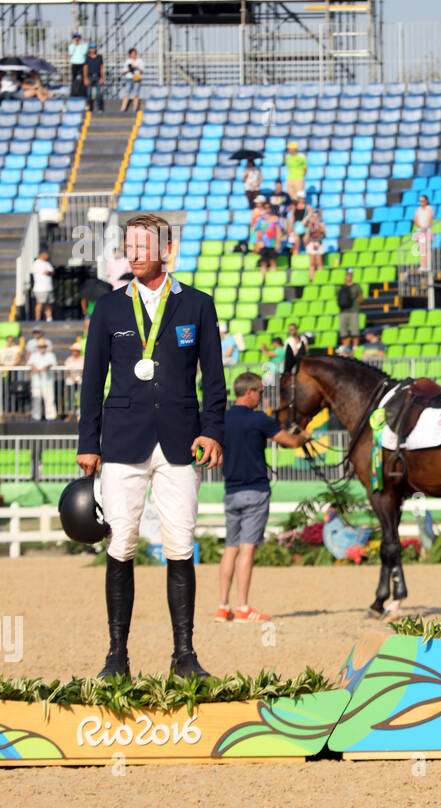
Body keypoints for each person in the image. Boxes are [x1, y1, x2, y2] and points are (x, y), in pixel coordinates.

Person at [76, 213, 228, 679]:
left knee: (180, 544)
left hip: (182, 441)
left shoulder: (198, 305)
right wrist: (88, 440)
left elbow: (215, 379)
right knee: (120, 543)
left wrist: (213, 431)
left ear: (167, 250)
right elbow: (91, 379)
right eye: (130, 246)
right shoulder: (107, 308)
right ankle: (116, 657)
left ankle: (184, 656)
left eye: (144, 247)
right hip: (122, 441)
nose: (135, 255)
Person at [218, 372, 310, 624]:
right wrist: (304, 436)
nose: (261, 396)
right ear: (248, 392)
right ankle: (243, 607)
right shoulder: (258, 419)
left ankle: (223, 606)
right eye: (259, 391)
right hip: (255, 489)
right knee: (248, 548)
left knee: (231, 548)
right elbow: (290, 442)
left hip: (231, 490)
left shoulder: (223, 419)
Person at [27, 334, 57, 420]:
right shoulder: (34, 355)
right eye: (40, 346)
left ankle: (51, 417)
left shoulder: (50, 355)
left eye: (43, 346)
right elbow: (30, 363)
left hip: (47, 381)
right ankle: (36, 416)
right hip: (36, 382)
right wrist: (34, 367)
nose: (41, 348)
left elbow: (53, 363)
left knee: (49, 399)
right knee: (36, 399)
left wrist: (46, 367)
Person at [250, 203, 283, 273]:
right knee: (263, 262)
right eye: (265, 208)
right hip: (262, 244)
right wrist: (257, 243)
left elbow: (278, 231)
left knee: (272, 261)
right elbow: (257, 232)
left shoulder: (275, 218)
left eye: (269, 208)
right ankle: (263, 280)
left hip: (272, 243)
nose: (267, 209)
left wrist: (278, 243)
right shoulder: (260, 219)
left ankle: (273, 278)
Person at [0, 334, 21, 415]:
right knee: (3, 389)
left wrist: (11, 366)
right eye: (8, 340)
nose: (10, 342)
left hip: (13, 371)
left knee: (12, 389)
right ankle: (4, 408)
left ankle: (13, 408)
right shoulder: (1, 350)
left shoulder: (16, 349)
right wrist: (5, 365)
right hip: (4, 371)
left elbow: (18, 360)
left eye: (11, 341)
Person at [336, 270, 363, 340]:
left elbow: (361, 299)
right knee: (343, 332)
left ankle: (355, 347)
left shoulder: (356, 286)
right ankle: (345, 348)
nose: (348, 277)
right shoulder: (340, 287)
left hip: (353, 311)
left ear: (352, 276)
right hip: (343, 311)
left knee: (355, 332)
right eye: (347, 275)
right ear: (345, 276)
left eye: (350, 275)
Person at [31, 249, 54, 321]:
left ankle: (49, 318)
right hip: (40, 288)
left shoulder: (47, 263)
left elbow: (52, 272)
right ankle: (37, 318)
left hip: (48, 287)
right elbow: (47, 272)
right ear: (42, 255)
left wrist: (50, 272)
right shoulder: (37, 263)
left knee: (48, 303)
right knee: (40, 303)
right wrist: (49, 272)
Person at [413, 195, 434, 272]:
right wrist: (421, 228)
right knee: (422, 249)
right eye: (420, 201)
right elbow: (415, 220)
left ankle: (428, 266)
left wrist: (425, 227)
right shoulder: (417, 210)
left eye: (423, 201)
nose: (421, 202)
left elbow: (430, 219)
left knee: (427, 249)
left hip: (427, 230)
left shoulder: (429, 209)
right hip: (421, 231)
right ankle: (423, 266)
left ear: (426, 201)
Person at [303, 209, 325, 278]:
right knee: (312, 263)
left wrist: (321, 230)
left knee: (319, 263)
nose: (315, 216)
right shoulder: (309, 224)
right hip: (311, 244)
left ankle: (320, 278)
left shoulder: (321, 224)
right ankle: (311, 278)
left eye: (316, 215)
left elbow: (324, 234)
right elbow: (303, 223)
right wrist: (309, 215)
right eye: (313, 215)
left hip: (318, 243)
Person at [82, 43, 104, 112]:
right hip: (90, 77)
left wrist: (102, 77)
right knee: (89, 94)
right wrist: (85, 78)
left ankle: (100, 108)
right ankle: (89, 108)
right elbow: (85, 68)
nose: (92, 49)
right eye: (91, 48)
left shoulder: (99, 57)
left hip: (97, 77)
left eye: (94, 48)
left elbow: (101, 67)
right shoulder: (87, 57)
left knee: (99, 94)